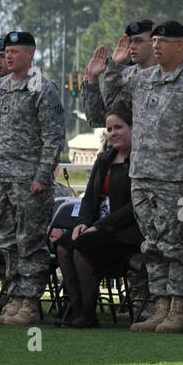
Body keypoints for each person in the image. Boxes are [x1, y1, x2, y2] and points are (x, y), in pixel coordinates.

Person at [118, 20, 183, 333]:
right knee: (152, 244)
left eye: (163, 41)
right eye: (154, 40)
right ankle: (159, 305)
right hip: (142, 178)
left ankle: (178, 308)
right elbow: (107, 104)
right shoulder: (141, 78)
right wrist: (110, 68)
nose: (156, 46)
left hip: (178, 183)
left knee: (178, 245)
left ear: (181, 45)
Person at [0, 31, 67, 325]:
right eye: (6, 52)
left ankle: (29, 302)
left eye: (15, 52)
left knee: (30, 241)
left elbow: (54, 137)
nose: (8, 56)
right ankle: (14, 297)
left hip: (29, 180)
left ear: (30, 55)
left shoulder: (42, 88)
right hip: (0, 178)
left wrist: (43, 176)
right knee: (6, 240)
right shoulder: (0, 89)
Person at [56, 108, 143, 328]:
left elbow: (135, 206)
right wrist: (83, 223)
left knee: (83, 246)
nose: (113, 133)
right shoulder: (104, 160)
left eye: (119, 128)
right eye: (109, 129)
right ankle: (75, 310)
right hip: (97, 229)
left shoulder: (140, 162)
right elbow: (89, 200)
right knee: (64, 244)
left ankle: (87, 314)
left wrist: (100, 226)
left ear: (134, 128)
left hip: (125, 233)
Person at [80, 19, 157, 127]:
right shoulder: (125, 77)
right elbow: (101, 119)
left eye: (138, 41)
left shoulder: (166, 76)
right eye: (130, 41)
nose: (132, 46)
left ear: (154, 43)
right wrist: (93, 79)